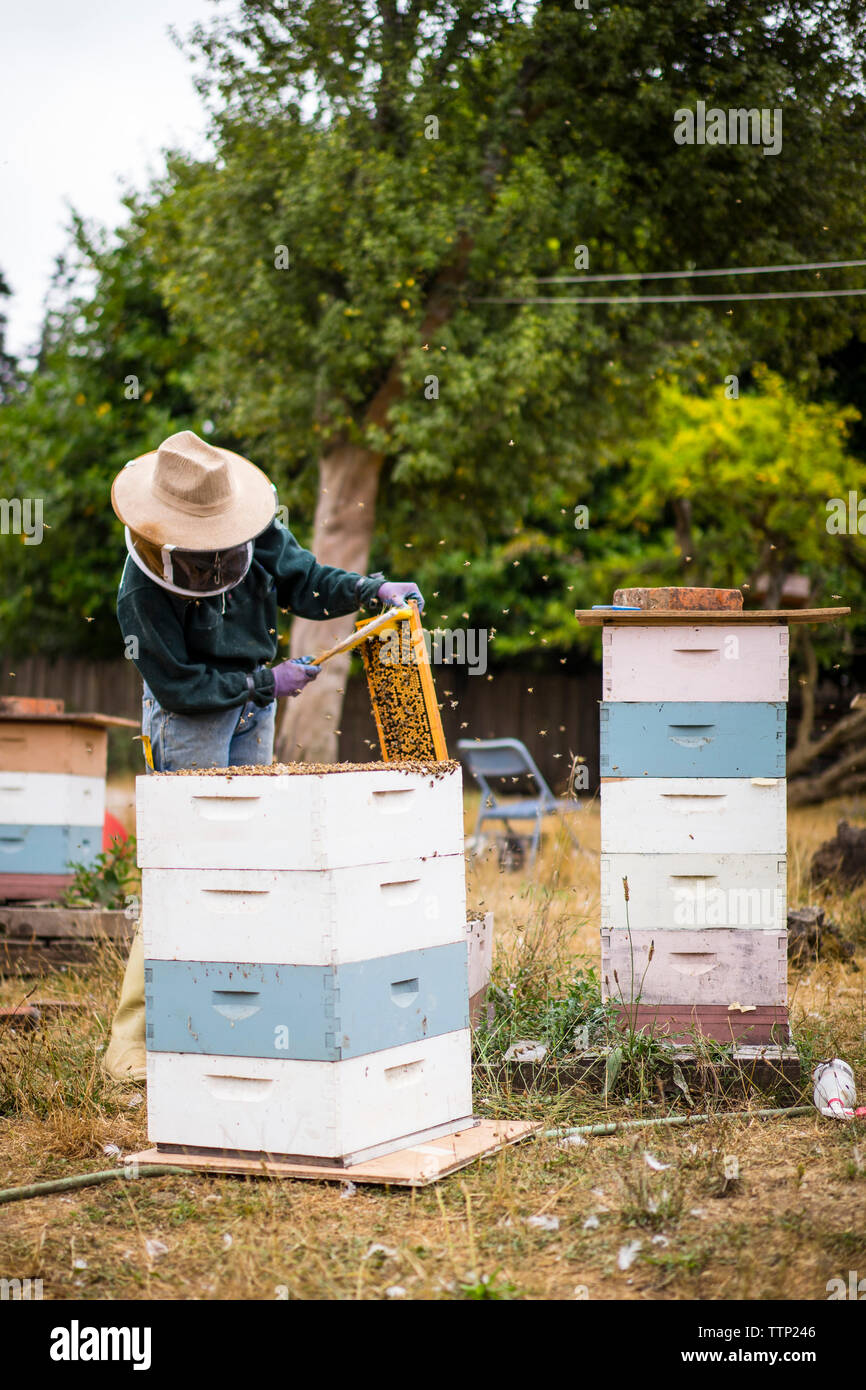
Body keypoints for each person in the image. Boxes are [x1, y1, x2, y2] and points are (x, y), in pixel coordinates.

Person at [103, 429, 423, 1081]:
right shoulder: (139, 593)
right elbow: (180, 687)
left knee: (245, 862)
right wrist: (261, 682)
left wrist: (371, 590)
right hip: (192, 713)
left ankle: (224, 1017)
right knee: (185, 867)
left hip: (252, 700)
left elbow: (304, 580)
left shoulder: (257, 533)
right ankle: (130, 1044)